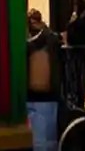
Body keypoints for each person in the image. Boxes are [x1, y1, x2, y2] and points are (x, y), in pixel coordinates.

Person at [27, 10, 60, 151]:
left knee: (42, 143)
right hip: (44, 98)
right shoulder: (50, 39)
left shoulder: (42, 41)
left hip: (40, 98)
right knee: (46, 142)